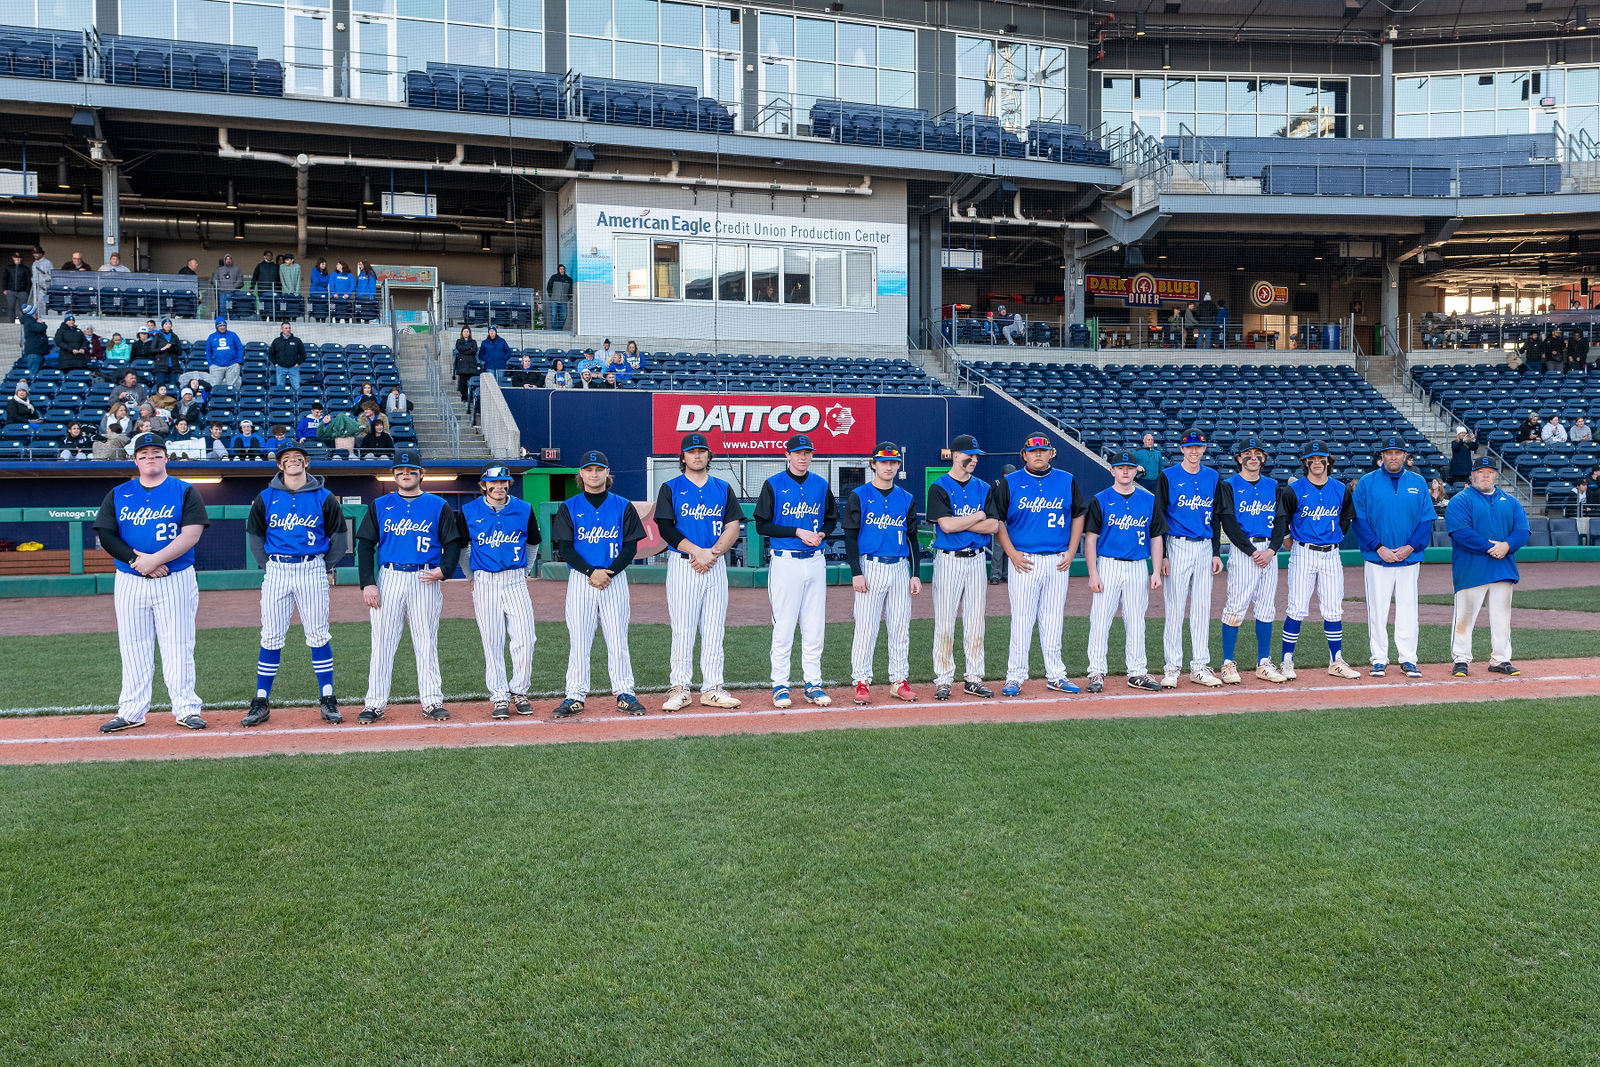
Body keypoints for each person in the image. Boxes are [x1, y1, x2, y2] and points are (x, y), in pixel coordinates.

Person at [93, 432, 210, 733]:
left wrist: (154, 560)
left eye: (157, 453)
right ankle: (131, 711)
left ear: (166, 458)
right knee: (133, 646)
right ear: (135, 460)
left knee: (179, 644)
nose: (150, 458)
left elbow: (191, 534)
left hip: (175, 578)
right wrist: (138, 561)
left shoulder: (185, 491)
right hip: (130, 579)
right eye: (144, 454)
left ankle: (186, 709)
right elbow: (106, 534)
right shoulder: (118, 493)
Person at [242, 441, 348, 726]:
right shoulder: (266, 497)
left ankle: (328, 698)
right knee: (271, 636)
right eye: (287, 457)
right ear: (280, 464)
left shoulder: (324, 496)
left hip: (312, 567)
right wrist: (268, 565)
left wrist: (324, 566)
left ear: (306, 462)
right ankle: (261, 701)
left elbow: (339, 538)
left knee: (318, 635)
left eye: (298, 457)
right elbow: (255, 536)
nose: (293, 460)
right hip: (277, 569)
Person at [356, 448, 465, 724]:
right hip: (389, 577)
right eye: (400, 471)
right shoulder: (380, 504)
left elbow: (453, 542)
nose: (406, 474)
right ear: (394, 474)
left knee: (426, 642)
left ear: (421, 474)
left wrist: (445, 570)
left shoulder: (437, 505)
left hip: (424, 577)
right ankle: (374, 703)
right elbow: (366, 544)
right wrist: (368, 583)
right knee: (382, 643)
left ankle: (432, 701)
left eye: (411, 471)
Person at [987, 431, 1087, 696]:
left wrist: (1072, 550)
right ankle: (1015, 676)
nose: (1038, 454)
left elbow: (1079, 514)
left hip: (1057, 560)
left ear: (1051, 453)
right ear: (1024, 455)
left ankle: (1056, 675)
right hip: (1025, 561)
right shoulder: (1010, 482)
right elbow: (997, 521)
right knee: (1022, 620)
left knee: (1053, 621)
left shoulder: (1067, 480)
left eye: (1043, 450)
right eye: (1033, 451)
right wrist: (1011, 553)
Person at [551, 449, 647, 717]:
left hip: (614, 580)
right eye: (589, 470)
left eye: (599, 469)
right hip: (581, 580)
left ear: (607, 472)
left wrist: (609, 573)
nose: (594, 474)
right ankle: (575, 695)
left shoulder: (623, 505)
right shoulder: (569, 506)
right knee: (579, 640)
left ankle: (625, 692)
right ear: (581, 474)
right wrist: (590, 571)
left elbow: (630, 547)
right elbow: (565, 548)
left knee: (617, 639)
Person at [655, 432, 745, 712]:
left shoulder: (723, 487)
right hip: (684, 565)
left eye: (701, 451)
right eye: (691, 452)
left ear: (708, 456)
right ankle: (680, 688)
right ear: (683, 457)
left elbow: (733, 526)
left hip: (715, 565)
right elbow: (666, 528)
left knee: (714, 629)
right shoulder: (670, 487)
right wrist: (698, 552)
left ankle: (712, 688)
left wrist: (713, 553)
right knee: (683, 629)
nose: (697, 455)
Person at [756, 433, 839, 709]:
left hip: (815, 561)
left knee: (815, 626)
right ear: (787, 455)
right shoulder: (773, 484)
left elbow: (831, 519)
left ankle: (813, 683)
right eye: (798, 453)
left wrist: (822, 534)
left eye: (807, 453)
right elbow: (762, 525)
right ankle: (780, 685)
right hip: (785, 561)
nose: (803, 457)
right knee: (784, 626)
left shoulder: (821, 484)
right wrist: (796, 531)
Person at [842, 442, 922, 704]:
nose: (889, 467)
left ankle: (899, 680)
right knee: (866, 628)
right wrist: (856, 572)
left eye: (893, 462)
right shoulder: (859, 495)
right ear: (873, 464)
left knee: (900, 627)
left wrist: (915, 573)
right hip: (871, 566)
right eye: (883, 462)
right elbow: (850, 536)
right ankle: (861, 681)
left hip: (899, 568)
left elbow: (912, 538)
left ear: (898, 465)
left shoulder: (906, 498)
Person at [460, 465, 541, 720]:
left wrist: (525, 571)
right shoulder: (469, 510)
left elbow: (533, 542)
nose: (499, 487)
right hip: (485, 581)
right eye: (493, 483)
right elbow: (463, 547)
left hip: (515, 579)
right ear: (483, 485)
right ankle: (499, 696)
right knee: (492, 641)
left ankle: (519, 690)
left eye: (504, 482)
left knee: (526, 639)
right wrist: (471, 575)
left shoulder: (523, 508)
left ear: (508, 483)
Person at [1084, 450, 1166, 693]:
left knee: (1136, 620)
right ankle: (1096, 671)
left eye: (1129, 468)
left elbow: (1156, 537)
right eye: (1120, 468)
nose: (1125, 471)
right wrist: (1093, 573)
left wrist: (1155, 571)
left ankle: (1137, 671)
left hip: (1138, 565)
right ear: (1112, 471)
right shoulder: (1100, 499)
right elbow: (1091, 539)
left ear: (1136, 471)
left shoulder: (1148, 500)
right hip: (1108, 564)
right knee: (1100, 619)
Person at [1278, 442, 1360, 681]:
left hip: (1331, 554)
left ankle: (1336, 661)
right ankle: (1286, 660)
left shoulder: (1340, 489)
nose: (1316, 462)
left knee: (1333, 608)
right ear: (1305, 462)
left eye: (1321, 458)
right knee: (1296, 607)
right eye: (1311, 459)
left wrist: (1334, 537)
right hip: (1303, 552)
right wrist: (1290, 543)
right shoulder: (1294, 490)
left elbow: (1346, 519)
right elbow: (1283, 521)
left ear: (1328, 461)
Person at [1353, 435, 1434, 678]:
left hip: (1409, 558)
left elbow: (1426, 520)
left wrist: (1410, 547)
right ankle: (1379, 659)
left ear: (1405, 456)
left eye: (1398, 452)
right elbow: (1359, 520)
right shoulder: (1367, 482)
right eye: (1389, 453)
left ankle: (1408, 658)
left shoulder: (1418, 482)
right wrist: (1378, 547)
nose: (1393, 457)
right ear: (1382, 456)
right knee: (1377, 610)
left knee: (1408, 609)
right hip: (1377, 557)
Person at [926, 434, 998, 700]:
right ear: (956, 455)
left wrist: (963, 522)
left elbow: (994, 525)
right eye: (970, 455)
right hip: (949, 560)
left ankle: (973, 678)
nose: (975, 459)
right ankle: (944, 679)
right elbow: (946, 526)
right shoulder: (939, 487)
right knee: (945, 623)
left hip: (977, 559)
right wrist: (977, 516)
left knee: (976, 622)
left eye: (977, 456)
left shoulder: (984, 487)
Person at [1215, 436, 1289, 685]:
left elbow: (1281, 521)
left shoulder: (1273, 485)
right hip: (1243, 550)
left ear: (1264, 458)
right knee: (1235, 607)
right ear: (1239, 458)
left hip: (1269, 551)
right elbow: (1228, 522)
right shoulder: (1229, 485)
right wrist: (1250, 551)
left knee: (1267, 608)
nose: (1253, 457)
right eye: (1247, 454)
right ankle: (1227, 662)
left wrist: (1272, 550)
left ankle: (1263, 662)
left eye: (1258, 454)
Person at [1153, 428, 1224, 688]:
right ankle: (1172, 667)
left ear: (1204, 449)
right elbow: (1159, 515)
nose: (1194, 451)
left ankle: (1199, 666)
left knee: (1202, 608)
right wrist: (1164, 555)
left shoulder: (1213, 476)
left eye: (1199, 447)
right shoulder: (1168, 475)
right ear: (1181, 449)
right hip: (1177, 545)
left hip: (1204, 546)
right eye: (1189, 447)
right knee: (1174, 609)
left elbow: (1216, 517)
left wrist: (1216, 552)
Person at [1446, 458, 1529, 678]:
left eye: (1490, 472)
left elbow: (1522, 530)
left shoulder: (1510, 501)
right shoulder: (1461, 500)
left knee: (1502, 617)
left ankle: (1500, 659)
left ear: (1495, 476)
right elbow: (1460, 532)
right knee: (1464, 617)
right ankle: (1461, 659)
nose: (1485, 475)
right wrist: (1492, 548)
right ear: (1472, 475)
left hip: (1503, 568)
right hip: (1471, 568)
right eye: (1481, 471)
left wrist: (1507, 546)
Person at [268, 321, 306, 392]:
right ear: (282, 329)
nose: (288, 330)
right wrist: (275, 364)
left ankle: (296, 399)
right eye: (286, 328)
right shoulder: (276, 341)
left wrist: (298, 363)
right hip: (280, 368)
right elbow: (271, 354)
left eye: (289, 328)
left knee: (296, 387)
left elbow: (303, 354)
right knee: (280, 387)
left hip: (293, 368)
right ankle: (281, 399)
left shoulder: (297, 341)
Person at [206, 316, 242, 389]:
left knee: (231, 387)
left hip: (232, 365)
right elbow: (208, 351)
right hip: (217, 365)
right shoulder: (211, 337)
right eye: (220, 326)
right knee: (214, 386)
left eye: (224, 325)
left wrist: (239, 362)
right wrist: (210, 364)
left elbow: (240, 348)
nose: (223, 327)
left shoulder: (233, 335)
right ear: (217, 327)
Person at [151, 319, 183, 389]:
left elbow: (180, 352)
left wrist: (172, 348)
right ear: (162, 326)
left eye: (169, 324)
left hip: (173, 365)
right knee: (160, 386)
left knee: (173, 386)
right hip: (161, 365)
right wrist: (163, 348)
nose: (168, 325)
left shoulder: (174, 336)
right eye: (166, 324)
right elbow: (152, 350)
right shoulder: (158, 336)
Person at [19, 304, 48, 377]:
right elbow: (41, 328)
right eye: (36, 312)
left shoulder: (31, 322)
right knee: (33, 374)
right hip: (34, 353)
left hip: (38, 352)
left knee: (37, 374)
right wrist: (42, 323)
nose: (37, 313)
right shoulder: (29, 322)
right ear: (33, 313)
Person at [452, 326, 480, 402]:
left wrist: (464, 351)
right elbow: (460, 349)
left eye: (467, 331)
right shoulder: (459, 341)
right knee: (463, 382)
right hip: (462, 366)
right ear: (462, 333)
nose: (466, 333)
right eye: (464, 331)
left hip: (471, 366)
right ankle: (464, 396)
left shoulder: (473, 341)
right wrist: (469, 348)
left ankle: (471, 396)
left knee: (471, 382)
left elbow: (474, 350)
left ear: (470, 333)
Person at [3, 250, 29, 322]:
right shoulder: (8, 268)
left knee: (23, 308)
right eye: (16, 257)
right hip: (11, 291)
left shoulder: (25, 268)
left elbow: (28, 281)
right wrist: (4, 289)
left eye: (19, 258)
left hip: (22, 291)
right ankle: (12, 323)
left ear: (21, 259)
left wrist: (27, 291)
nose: (17, 259)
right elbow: (5, 279)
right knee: (11, 307)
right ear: (13, 258)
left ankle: (24, 323)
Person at [545, 262, 572, 330]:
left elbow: (570, 290)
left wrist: (568, 298)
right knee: (554, 315)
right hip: (554, 300)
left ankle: (560, 329)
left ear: (564, 270)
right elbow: (549, 287)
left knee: (564, 316)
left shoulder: (569, 279)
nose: (562, 270)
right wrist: (551, 296)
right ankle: (554, 329)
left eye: (563, 269)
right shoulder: (554, 277)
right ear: (558, 270)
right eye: (561, 269)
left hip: (564, 301)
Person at [28, 246, 53, 311]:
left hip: (43, 288)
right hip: (35, 288)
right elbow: (33, 275)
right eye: (34, 253)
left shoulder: (47, 262)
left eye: (36, 253)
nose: (34, 255)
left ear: (41, 254)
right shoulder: (34, 263)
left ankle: (42, 317)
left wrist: (44, 284)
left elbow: (50, 276)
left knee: (42, 305)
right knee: (34, 305)